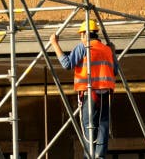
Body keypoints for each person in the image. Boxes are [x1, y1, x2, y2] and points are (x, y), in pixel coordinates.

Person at [50, 19, 118, 159]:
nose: (81, 38)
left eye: (81, 35)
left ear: (85, 34)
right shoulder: (107, 49)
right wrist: (113, 53)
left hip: (89, 94)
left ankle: (90, 157)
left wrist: (54, 44)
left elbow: (67, 64)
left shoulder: (84, 47)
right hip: (105, 94)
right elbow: (115, 70)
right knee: (103, 126)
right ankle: (100, 157)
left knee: (89, 127)